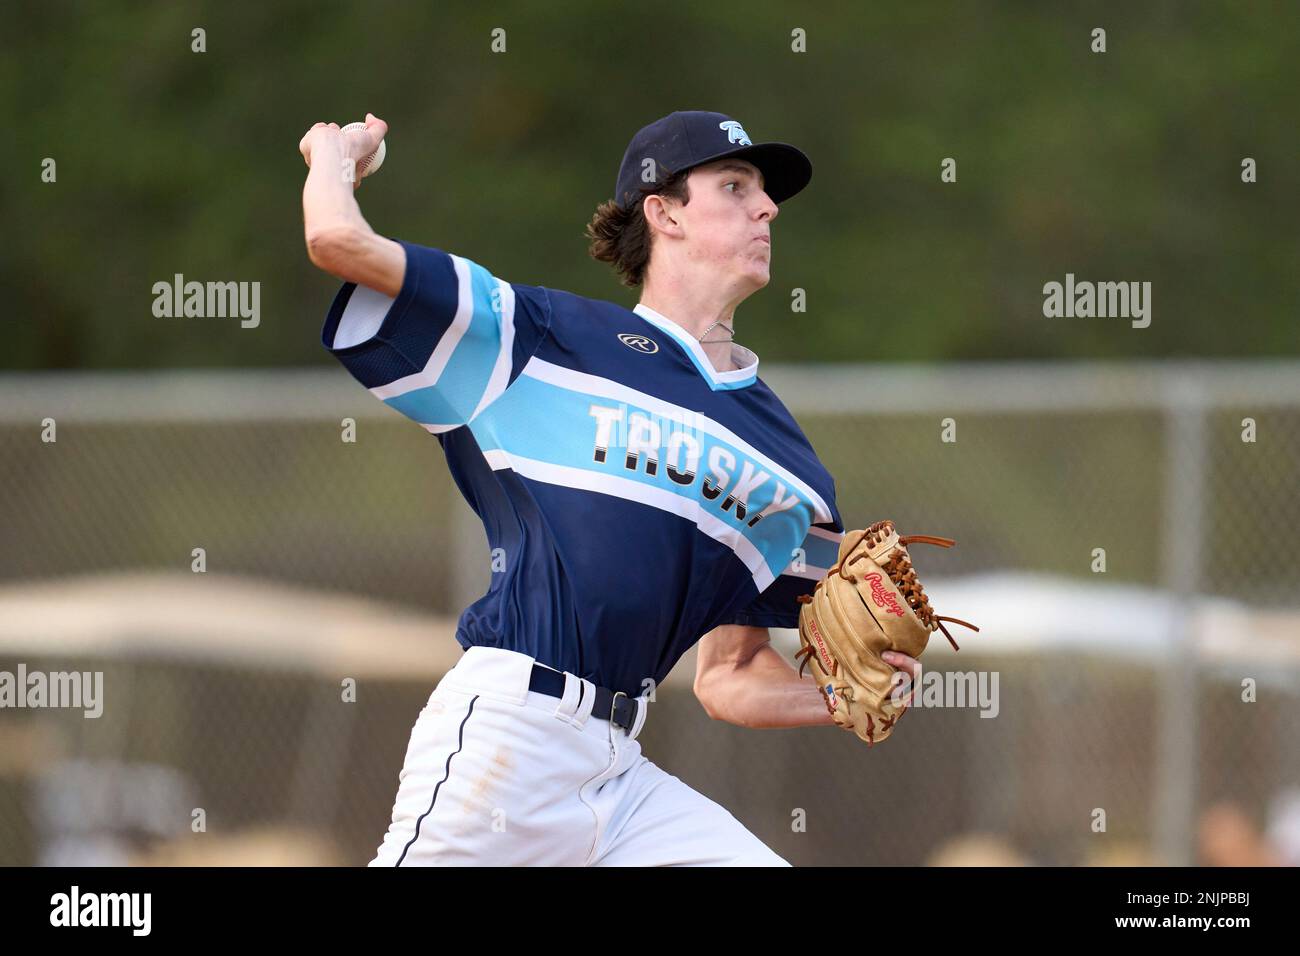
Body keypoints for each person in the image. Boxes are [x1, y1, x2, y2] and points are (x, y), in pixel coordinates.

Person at [298, 109, 921, 866]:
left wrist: (843, 694)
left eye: (765, 194)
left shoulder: (786, 461)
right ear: (663, 214)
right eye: (734, 186)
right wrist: (333, 155)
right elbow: (337, 241)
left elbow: (726, 676)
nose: (767, 207)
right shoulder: (541, 336)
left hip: (619, 780)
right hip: (508, 739)